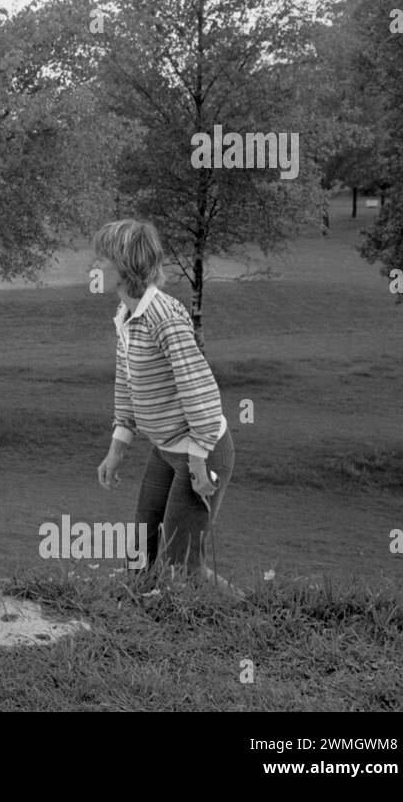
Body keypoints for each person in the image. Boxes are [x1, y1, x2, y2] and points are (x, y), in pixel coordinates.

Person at [92, 219, 236, 588]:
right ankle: (138, 627)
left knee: (181, 568)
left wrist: (200, 458)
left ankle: (257, 619)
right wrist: (116, 451)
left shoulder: (164, 317)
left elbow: (198, 387)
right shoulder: (126, 316)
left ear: (126, 266)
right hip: (166, 449)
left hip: (201, 450)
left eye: (101, 259)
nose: (94, 267)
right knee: (141, 554)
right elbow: (126, 386)